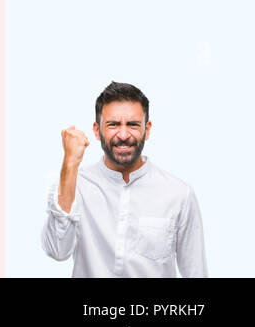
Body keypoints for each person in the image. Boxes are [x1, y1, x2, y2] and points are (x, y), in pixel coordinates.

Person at [41, 81, 206, 277]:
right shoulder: (76, 185)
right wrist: (70, 163)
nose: (123, 134)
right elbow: (57, 251)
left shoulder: (178, 194)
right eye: (113, 124)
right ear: (96, 130)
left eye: (133, 124)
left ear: (147, 129)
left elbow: (196, 272)